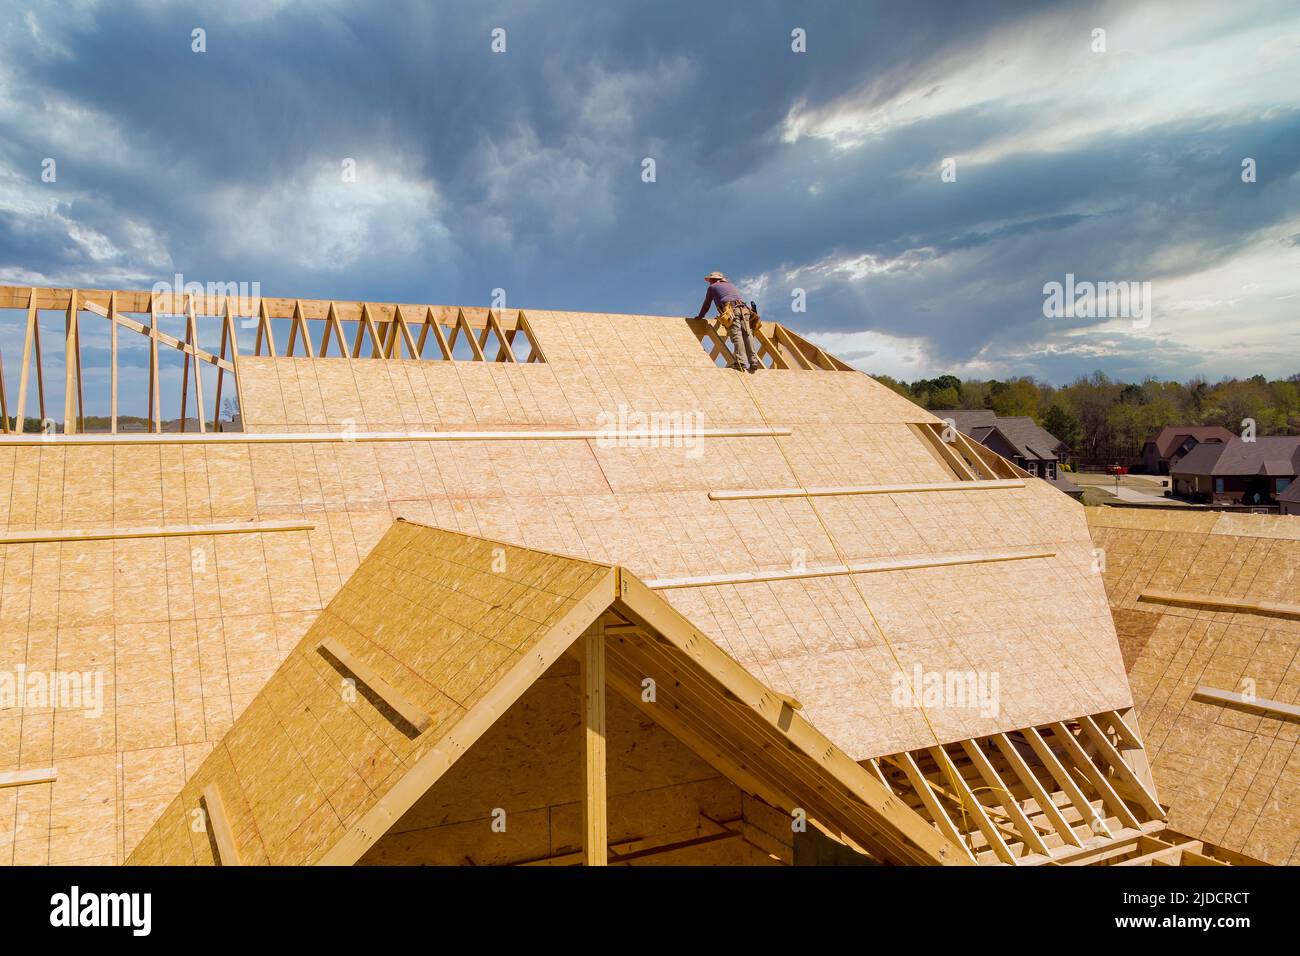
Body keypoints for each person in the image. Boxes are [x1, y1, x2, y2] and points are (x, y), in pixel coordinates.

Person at [689, 271, 762, 372]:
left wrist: (700, 316)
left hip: (732, 310)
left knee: (737, 335)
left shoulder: (712, 287)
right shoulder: (730, 285)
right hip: (745, 310)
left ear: (713, 280)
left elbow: (707, 304)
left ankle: (740, 362)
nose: (709, 282)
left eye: (710, 280)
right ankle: (754, 361)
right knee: (747, 334)